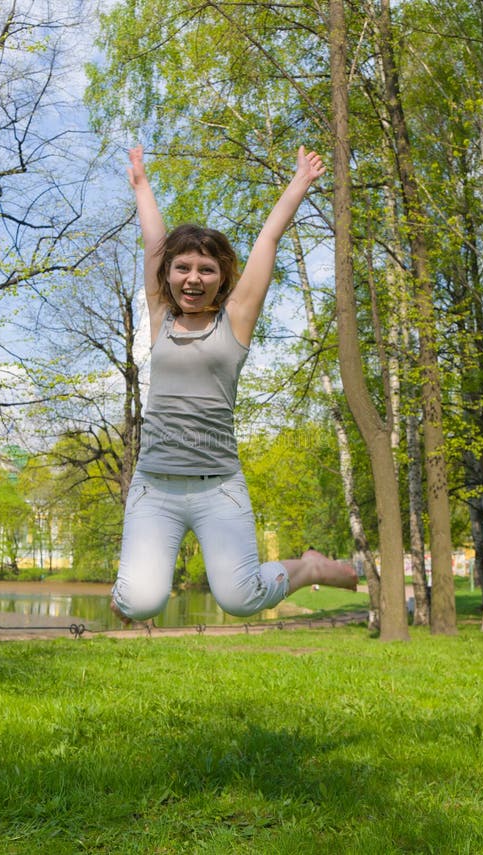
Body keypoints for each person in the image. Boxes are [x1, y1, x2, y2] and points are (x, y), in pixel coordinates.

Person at [111, 144, 357, 624]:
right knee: (141, 602)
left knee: (240, 599)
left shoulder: (235, 322)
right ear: (169, 276)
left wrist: (299, 183)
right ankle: (130, 595)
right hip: (154, 489)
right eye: (183, 268)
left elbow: (266, 240)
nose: (193, 278)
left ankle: (308, 567)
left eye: (206, 269)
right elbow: (154, 242)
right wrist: (142, 187)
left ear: (222, 278)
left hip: (218, 487)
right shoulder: (161, 315)